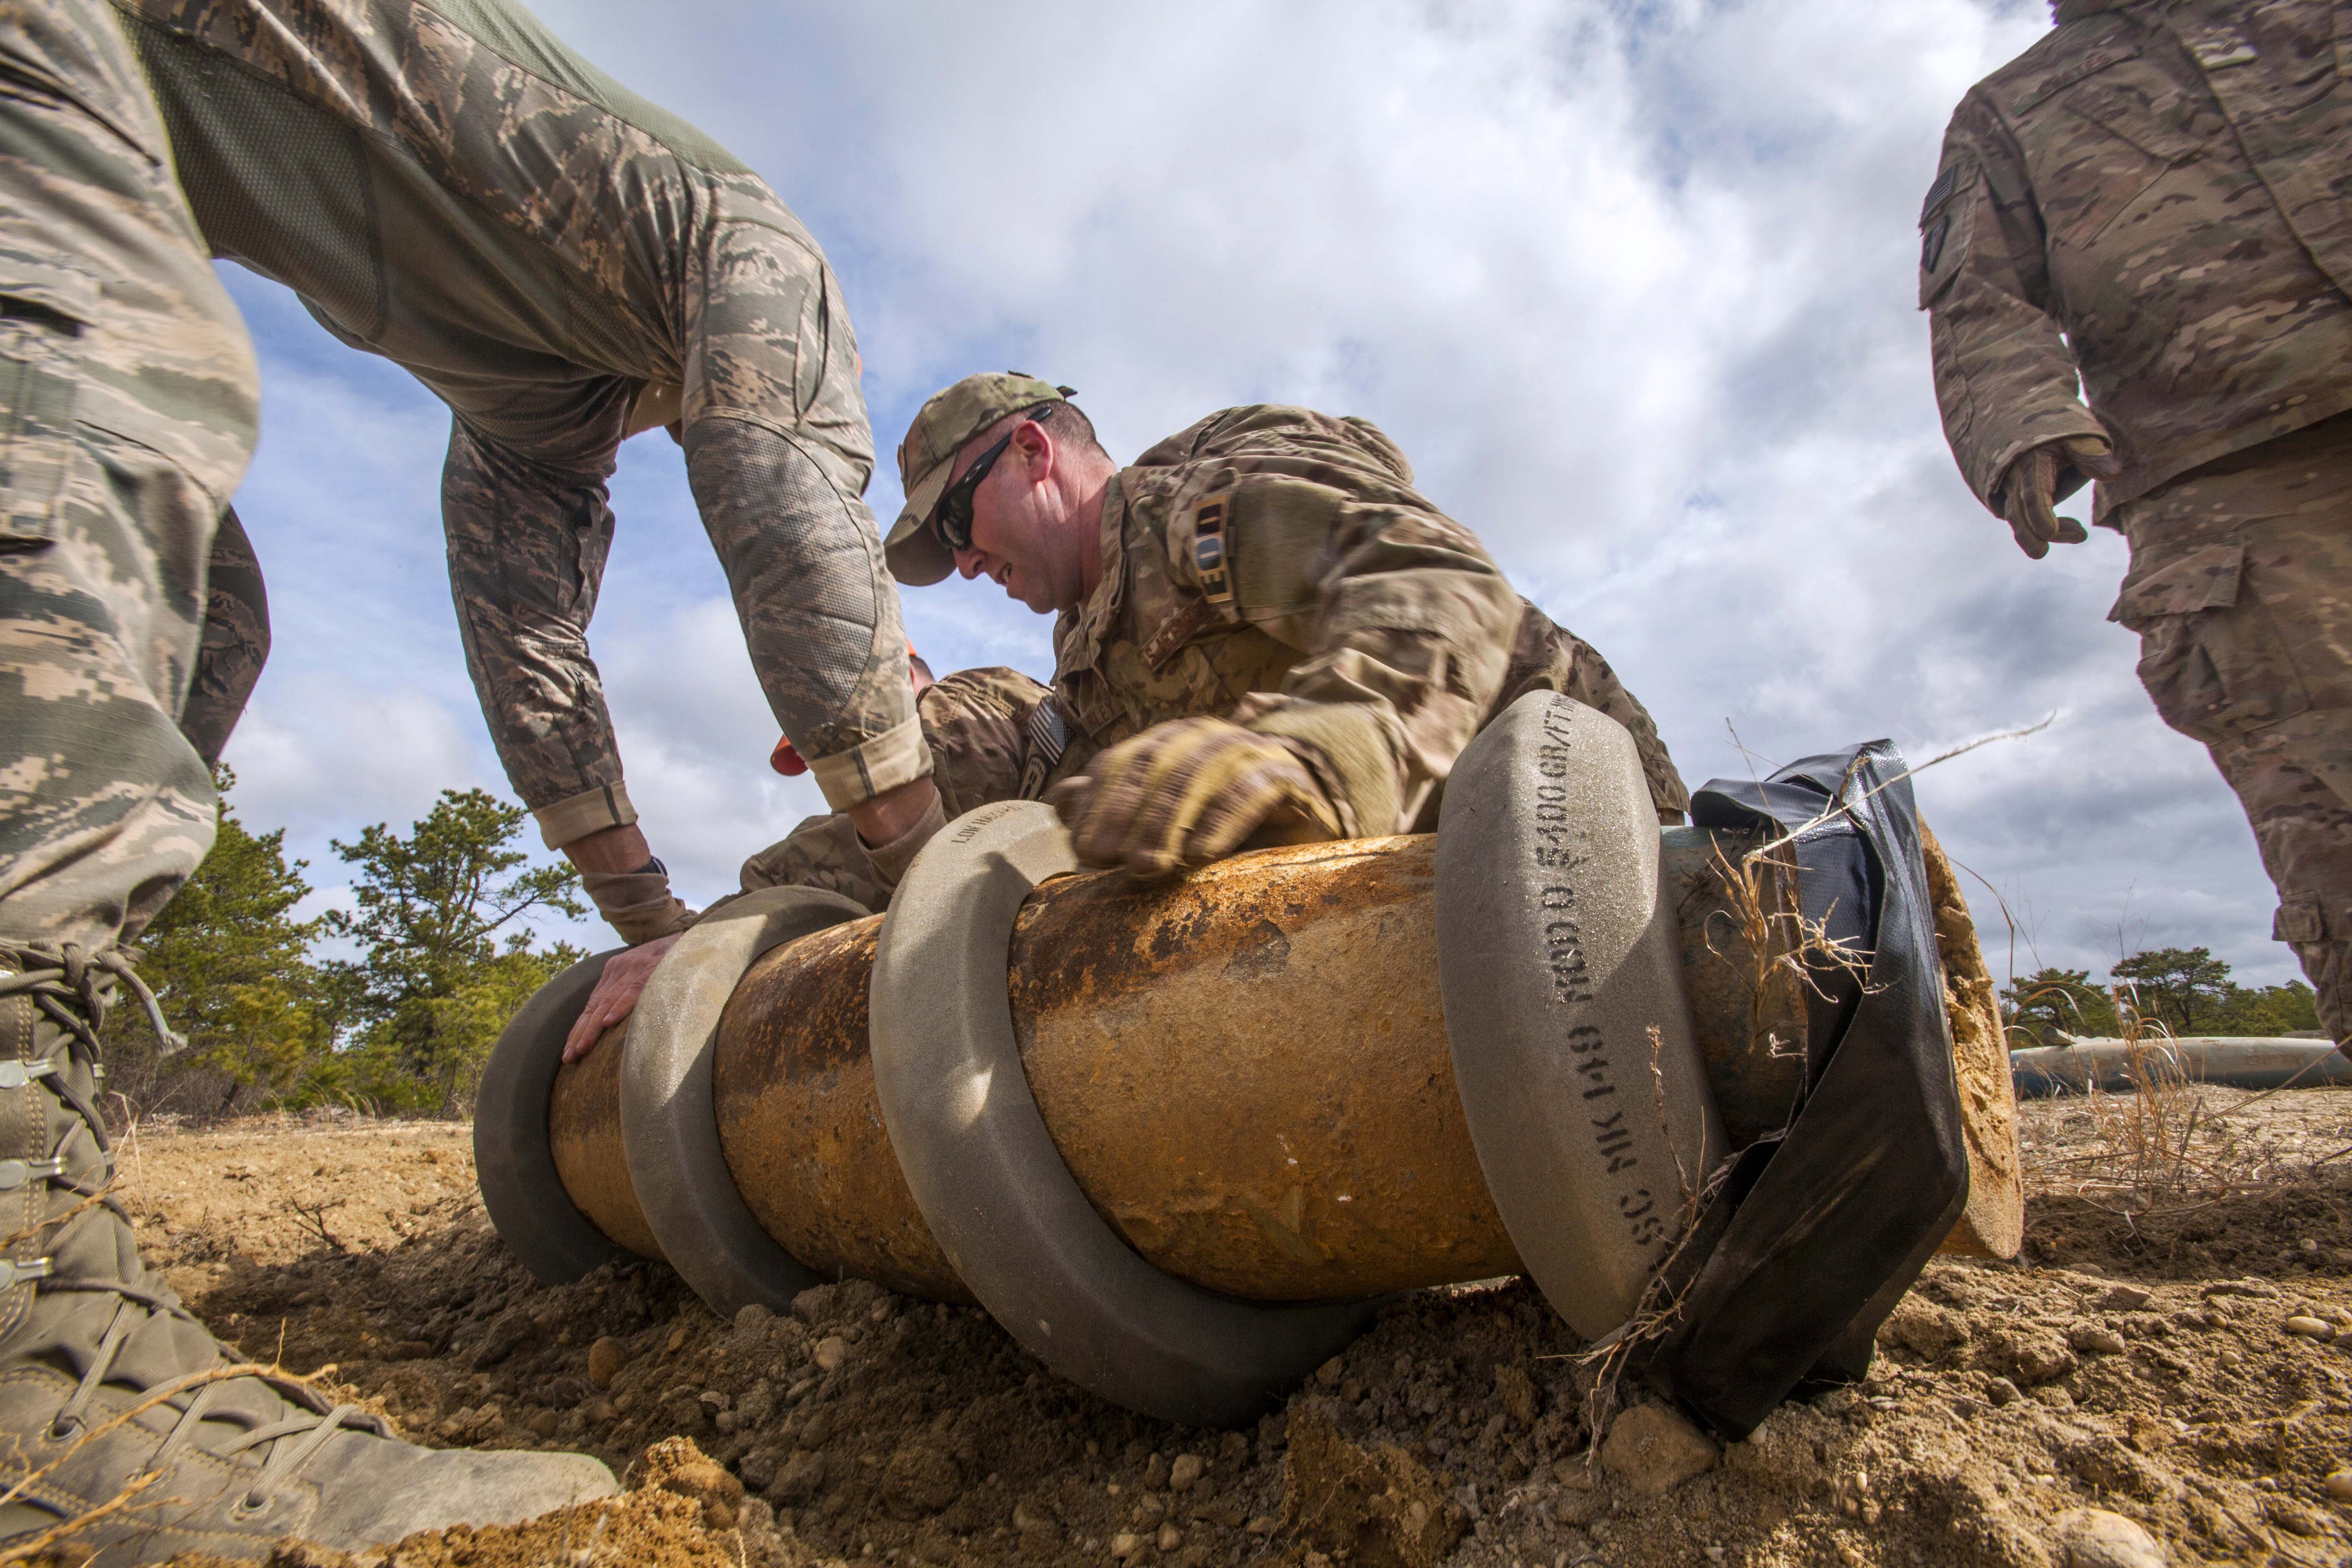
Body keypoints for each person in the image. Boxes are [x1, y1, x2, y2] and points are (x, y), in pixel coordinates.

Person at [0, 0, 932, 1553]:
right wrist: (913, 846)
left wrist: (652, 924)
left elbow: (532, 655)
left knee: (202, 621)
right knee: (112, 382)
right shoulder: (742, 241)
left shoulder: (530, 403)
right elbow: (781, 505)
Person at [1922, 0, 2352, 1049]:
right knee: (2327, 795)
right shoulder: (2010, 110)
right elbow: (1975, 293)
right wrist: (2020, 422)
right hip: (2224, 482)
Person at [884, 374, 1688, 876]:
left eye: (956, 518)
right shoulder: (1084, 657)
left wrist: (1307, 756)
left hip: (1576, 808)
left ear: (1032, 449)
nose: (962, 562)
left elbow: (1435, 582)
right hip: (1436, 887)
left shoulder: (1186, 512)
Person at [560, 653, 1060, 1060]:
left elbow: (912, 847)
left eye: (840, 754)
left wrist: (697, 941)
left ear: (899, 680)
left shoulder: (954, 703)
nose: (837, 789)